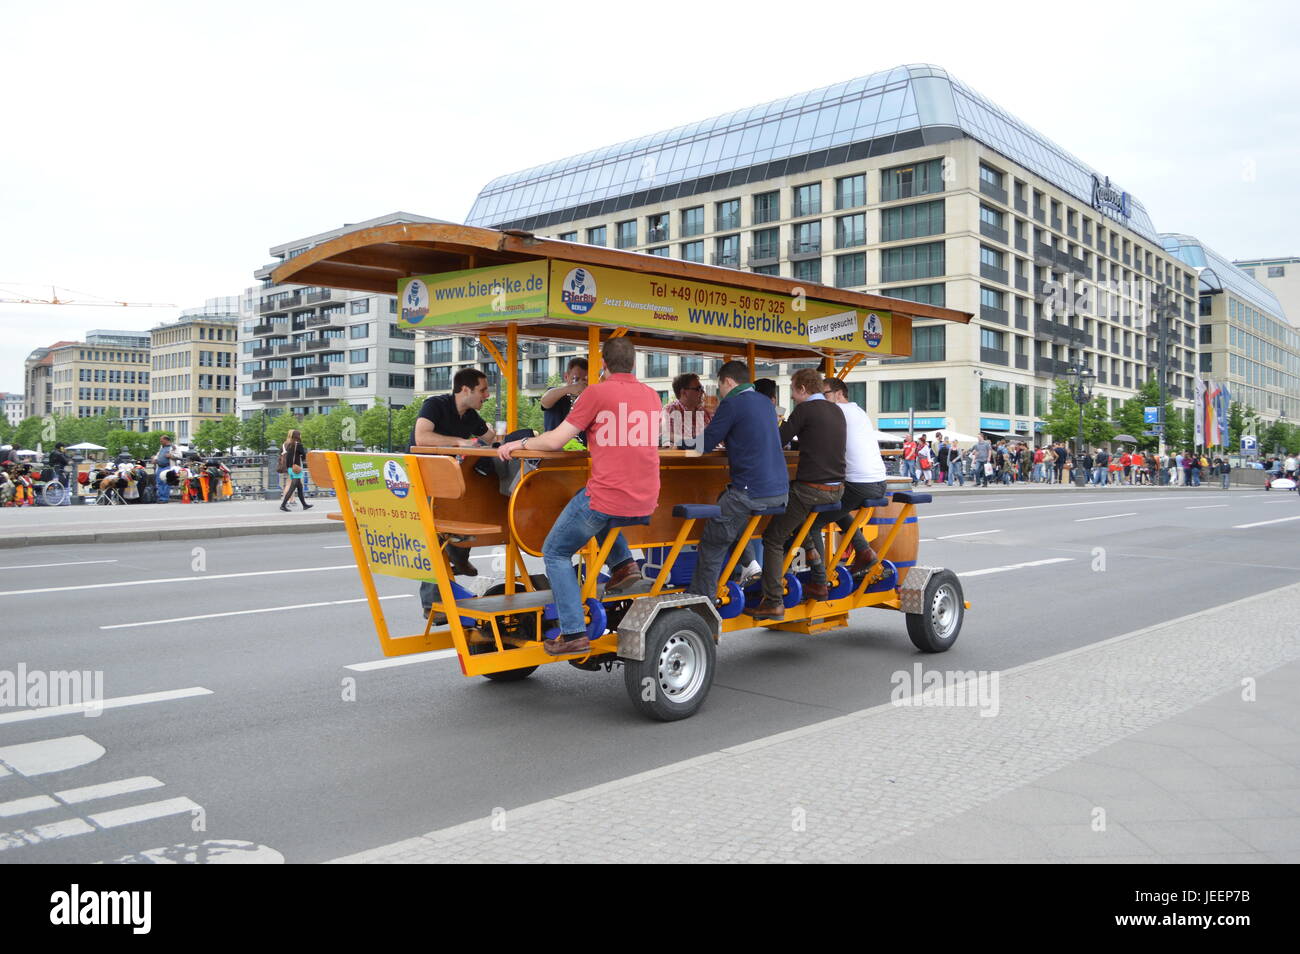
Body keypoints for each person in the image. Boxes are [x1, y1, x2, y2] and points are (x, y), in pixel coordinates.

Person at [497, 337, 658, 656]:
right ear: (635, 363)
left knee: (555, 551)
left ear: (603, 364)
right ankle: (624, 565)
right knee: (588, 506)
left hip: (608, 495)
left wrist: (518, 446)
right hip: (645, 497)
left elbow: (556, 441)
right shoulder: (652, 395)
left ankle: (573, 632)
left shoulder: (596, 393)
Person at [684, 360, 788, 603]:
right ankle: (749, 564)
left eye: (719, 386)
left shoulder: (733, 402)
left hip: (752, 490)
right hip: (779, 491)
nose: (719, 392)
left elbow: (706, 443)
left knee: (711, 542)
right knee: (727, 503)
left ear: (728, 382)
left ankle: (701, 605)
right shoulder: (765, 401)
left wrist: (680, 443)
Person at [753, 368, 846, 621]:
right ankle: (819, 580)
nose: (793, 396)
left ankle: (773, 601)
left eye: (793, 390)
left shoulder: (805, 410)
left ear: (803, 389)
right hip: (837, 489)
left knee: (772, 537)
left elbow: (777, 440)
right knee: (801, 523)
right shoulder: (835, 409)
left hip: (811, 490)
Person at [410, 368, 499, 579]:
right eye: (483, 390)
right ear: (466, 390)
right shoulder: (435, 404)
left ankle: (458, 557)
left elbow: (491, 439)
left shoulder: (470, 416)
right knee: (434, 541)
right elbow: (421, 437)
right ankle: (433, 603)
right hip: (422, 477)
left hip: (448, 478)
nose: (487, 395)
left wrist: (503, 438)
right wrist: (459, 441)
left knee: (469, 507)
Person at [812, 377, 887, 576]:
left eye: (825, 394)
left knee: (813, 523)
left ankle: (818, 578)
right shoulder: (858, 410)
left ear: (838, 394)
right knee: (838, 507)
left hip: (859, 483)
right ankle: (864, 551)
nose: (822, 399)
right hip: (878, 483)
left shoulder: (837, 411)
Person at [661, 371, 713, 449]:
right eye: (698, 388)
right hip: (682, 460)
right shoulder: (670, 410)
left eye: (702, 388)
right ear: (684, 392)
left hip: (708, 459)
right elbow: (665, 435)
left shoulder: (705, 412)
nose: (702, 392)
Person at [540, 357, 588, 439]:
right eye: (576, 379)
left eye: (584, 380)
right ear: (566, 376)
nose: (580, 384)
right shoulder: (557, 393)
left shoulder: (590, 399)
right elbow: (544, 402)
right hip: (556, 450)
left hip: (582, 450)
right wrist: (569, 389)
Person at [279, 429, 311, 511]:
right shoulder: (298, 445)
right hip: (296, 469)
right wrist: (301, 456)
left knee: (300, 487)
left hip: (290, 468)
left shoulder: (289, 444)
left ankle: (304, 505)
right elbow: (304, 455)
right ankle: (283, 505)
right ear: (298, 436)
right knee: (292, 488)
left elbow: (288, 457)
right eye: (300, 435)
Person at [154, 435, 174, 503]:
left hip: (167, 466)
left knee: (166, 483)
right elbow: (157, 456)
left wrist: (171, 456)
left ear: (166, 440)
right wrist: (155, 459)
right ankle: (160, 497)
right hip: (160, 467)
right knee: (159, 482)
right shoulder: (161, 448)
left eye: (161, 441)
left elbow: (179, 455)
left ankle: (164, 498)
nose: (160, 442)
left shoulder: (173, 447)